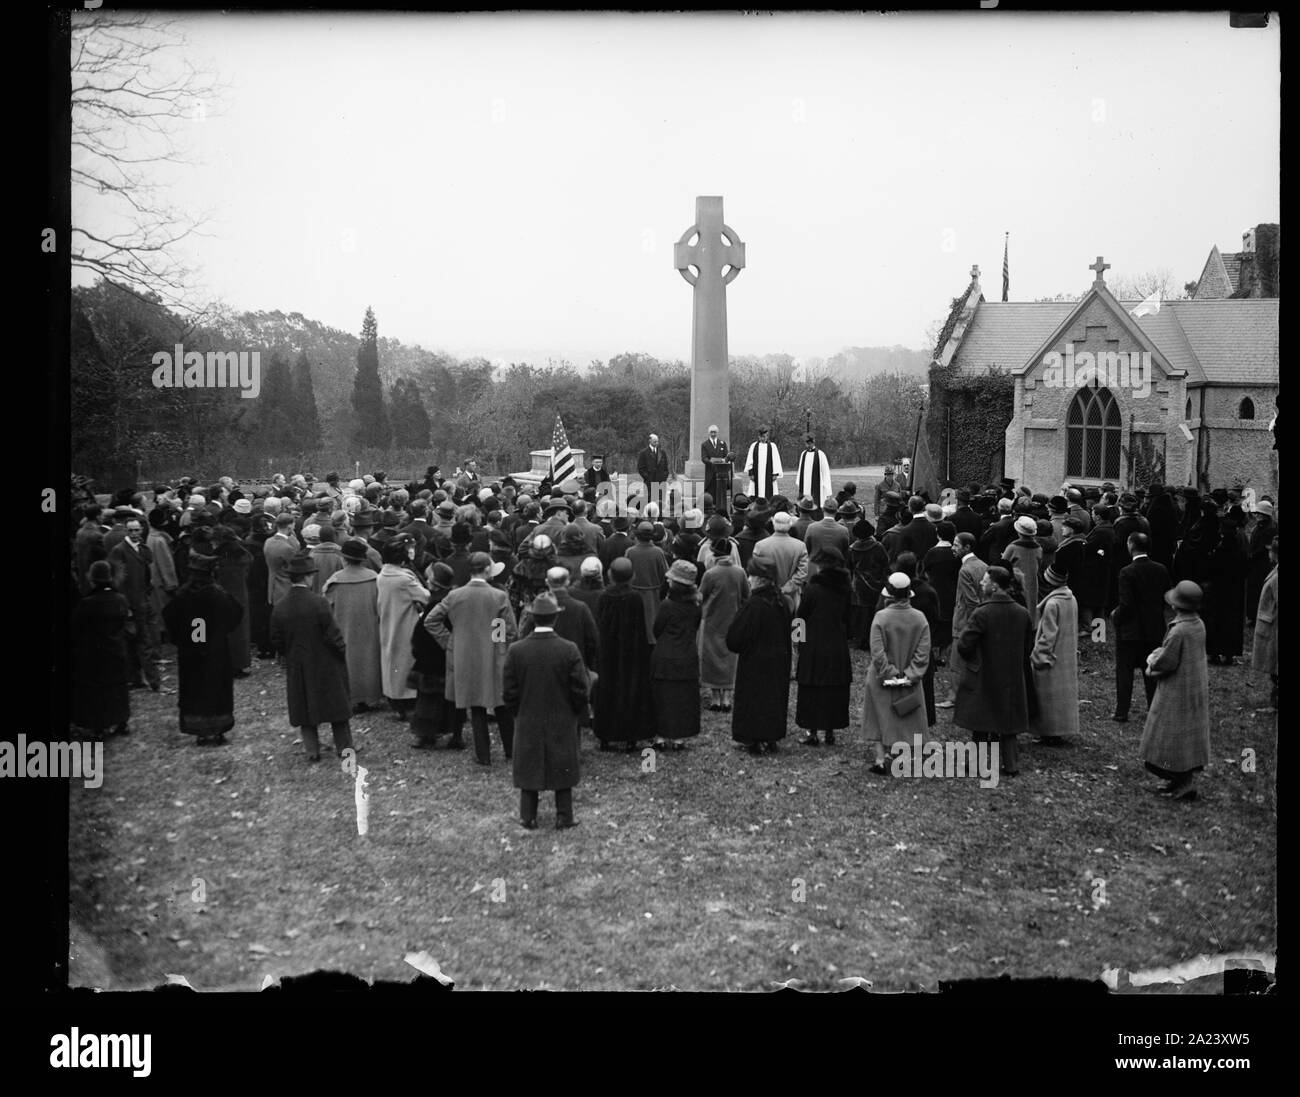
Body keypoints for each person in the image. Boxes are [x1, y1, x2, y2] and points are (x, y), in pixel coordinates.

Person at [504, 592, 589, 830]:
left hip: (527, 716)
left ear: (532, 618)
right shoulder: (569, 649)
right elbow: (580, 688)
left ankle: (527, 815)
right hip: (561, 716)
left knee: (529, 762)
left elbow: (509, 690)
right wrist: (575, 710)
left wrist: (518, 711)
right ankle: (565, 815)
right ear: (555, 618)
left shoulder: (516, 650)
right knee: (563, 763)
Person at [426, 552, 519, 765]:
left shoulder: (455, 595)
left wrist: (451, 641)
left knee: (476, 705)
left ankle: (483, 755)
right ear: (487, 569)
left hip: (465, 655)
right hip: (494, 653)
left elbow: (431, 621)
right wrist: (497, 640)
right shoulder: (498, 596)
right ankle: (511, 750)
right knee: (501, 702)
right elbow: (510, 631)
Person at [268, 553, 355, 763]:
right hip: (326, 661)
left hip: (298, 662)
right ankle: (345, 748)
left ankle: (312, 750)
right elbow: (333, 634)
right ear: (307, 577)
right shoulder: (319, 603)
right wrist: (341, 651)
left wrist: (288, 654)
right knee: (337, 708)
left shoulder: (281, 606)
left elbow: (276, 639)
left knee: (304, 705)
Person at [953, 566, 1032, 777]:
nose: (981, 583)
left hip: (984, 673)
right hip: (1012, 675)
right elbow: (1028, 646)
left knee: (981, 721)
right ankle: (1011, 764)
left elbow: (964, 645)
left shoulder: (982, 612)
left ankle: (977, 763)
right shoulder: (1022, 613)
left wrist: (974, 661)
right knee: (1008, 723)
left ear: (994, 586)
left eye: (985, 581)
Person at [161, 552, 243, 746]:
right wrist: (221, 631)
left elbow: (169, 615)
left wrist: (180, 638)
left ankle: (199, 731)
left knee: (194, 689)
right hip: (215, 651)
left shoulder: (183, 595)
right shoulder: (218, 595)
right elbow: (236, 612)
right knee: (217, 689)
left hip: (191, 652)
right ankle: (218, 730)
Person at [1139, 581, 1211, 800]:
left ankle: (1183, 782)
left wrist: (1152, 660)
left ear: (1176, 605)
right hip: (1193, 687)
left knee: (1168, 738)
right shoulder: (1198, 624)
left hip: (1176, 690)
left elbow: (1167, 661)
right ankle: (1178, 780)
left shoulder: (1178, 630)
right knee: (1185, 738)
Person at [861, 572, 931, 774]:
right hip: (910, 678)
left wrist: (890, 674)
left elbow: (877, 651)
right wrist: (909, 676)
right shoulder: (920, 618)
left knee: (878, 715)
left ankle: (880, 759)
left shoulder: (881, 617)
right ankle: (906, 757)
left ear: (888, 595)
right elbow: (922, 652)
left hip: (882, 677)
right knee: (909, 715)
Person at [726, 557, 792, 755]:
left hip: (755, 661)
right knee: (774, 697)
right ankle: (771, 736)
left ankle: (753, 738)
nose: (749, 579)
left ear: (760, 579)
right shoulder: (782, 601)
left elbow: (735, 637)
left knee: (753, 699)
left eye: (752, 575)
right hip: (779, 659)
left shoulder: (753, 605)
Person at [593, 557, 655, 751]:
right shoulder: (634, 597)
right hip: (630, 650)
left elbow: (601, 623)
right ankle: (630, 736)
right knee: (630, 689)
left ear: (611, 575)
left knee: (607, 688)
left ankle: (605, 735)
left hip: (609, 649)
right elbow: (640, 626)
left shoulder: (605, 596)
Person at [795, 547, 853, 746]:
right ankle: (830, 731)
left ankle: (812, 731)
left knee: (811, 687)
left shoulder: (812, 589)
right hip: (837, 643)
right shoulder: (845, 588)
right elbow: (848, 618)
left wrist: (797, 640)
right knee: (834, 687)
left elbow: (800, 617)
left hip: (813, 644)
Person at [1111, 533, 1171, 723]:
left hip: (1130, 630)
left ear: (1131, 545)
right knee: (1151, 670)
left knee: (1125, 671)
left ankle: (1122, 711)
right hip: (1154, 627)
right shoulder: (1161, 569)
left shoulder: (1127, 572)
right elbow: (1166, 597)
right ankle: (1154, 708)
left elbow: (1126, 604)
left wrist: (1115, 616)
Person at [322, 540, 385, 713]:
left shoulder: (335, 581)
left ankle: (353, 697)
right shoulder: (374, 577)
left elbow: (326, 608)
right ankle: (372, 695)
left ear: (345, 559)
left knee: (349, 661)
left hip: (344, 627)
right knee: (370, 659)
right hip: (370, 627)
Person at [71, 560, 131, 739]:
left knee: (99, 691)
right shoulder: (120, 599)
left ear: (92, 579)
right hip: (117, 649)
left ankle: (100, 725)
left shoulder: (87, 603)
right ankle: (122, 721)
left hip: (95, 653)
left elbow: (77, 627)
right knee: (119, 687)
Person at [409, 562, 463, 750]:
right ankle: (456, 734)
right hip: (448, 658)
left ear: (433, 583)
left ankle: (427, 735)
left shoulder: (435, 604)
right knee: (452, 700)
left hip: (431, 660)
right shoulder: (452, 601)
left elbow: (421, 634)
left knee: (428, 702)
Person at [650, 560, 703, 750]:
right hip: (687, 655)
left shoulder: (667, 605)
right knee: (684, 698)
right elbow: (695, 628)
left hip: (665, 655)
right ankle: (680, 737)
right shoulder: (696, 606)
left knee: (662, 697)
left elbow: (657, 629)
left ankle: (661, 736)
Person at [377, 539, 429, 720]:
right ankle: (408, 701)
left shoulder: (383, 574)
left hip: (389, 622)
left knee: (392, 660)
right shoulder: (405, 579)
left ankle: (396, 699)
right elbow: (425, 597)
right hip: (407, 625)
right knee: (406, 661)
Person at [108, 516, 161, 691]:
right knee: (143, 643)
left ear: (142, 530)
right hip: (131, 604)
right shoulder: (119, 551)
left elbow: (147, 574)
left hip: (143, 601)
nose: (134, 534)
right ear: (125, 531)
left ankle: (135, 679)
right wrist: (126, 607)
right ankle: (154, 682)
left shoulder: (143, 549)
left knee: (138, 642)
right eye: (130, 530)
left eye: (137, 530)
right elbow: (117, 582)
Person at [699, 537, 748, 713]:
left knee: (711, 656)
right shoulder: (740, 572)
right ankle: (727, 696)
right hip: (733, 618)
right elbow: (746, 596)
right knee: (730, 657)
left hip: (712, 620)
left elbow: (701, 596)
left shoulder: (710, 574)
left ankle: (715, 696)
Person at [1029, 581, 1079, 746]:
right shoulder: (1071, 599)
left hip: (1050, 658)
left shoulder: (1052, 604)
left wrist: (1039, 654)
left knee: (1047, 698)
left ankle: (1048, 732)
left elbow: (1048, 635)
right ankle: (1060, 731)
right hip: (1065, 655)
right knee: (1063, 699)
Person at [751, 510, 808, 615]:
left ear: (773, 524)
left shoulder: (760, 546)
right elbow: (802, 573)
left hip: (767, 597)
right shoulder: (800, 546)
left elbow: (756, 575)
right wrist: (787, 588)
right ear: (790, 525)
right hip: (792, 595)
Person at [626, 520, 669, 645]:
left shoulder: (630, 552)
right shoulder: (658, 552)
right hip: (654, 596)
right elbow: (665, 575)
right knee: (652, 627)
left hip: (634, 594)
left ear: (637, 536)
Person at [1001, 515, 1043, 628]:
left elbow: (1003, 564)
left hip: (1016, 583)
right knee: (1031, 605)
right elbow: (1040, 564)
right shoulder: (1038, 548)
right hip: (1033, 582)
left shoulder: (1012, 547)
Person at [1250, 539, 1278, 707]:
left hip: (1274, 625)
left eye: (1270, 551)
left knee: (1275, 666)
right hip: (1271, 622)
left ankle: (1275, 703)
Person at [264, 512, 300, 608]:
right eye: (293, 524)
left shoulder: (268, 541)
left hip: (272, 584)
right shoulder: (288, 547)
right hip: (285, 587)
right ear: (289, 526)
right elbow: (296, 565)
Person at [701, 425, 734, 518]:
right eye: (711, 432)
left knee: (721, 497)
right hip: (711, 475)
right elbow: (704, 458)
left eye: (715, 432)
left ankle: (722, 515)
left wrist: (724, 460)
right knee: (712, 498)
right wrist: (713, 461)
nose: (713, 434)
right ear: (709, 433)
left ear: (717, 433)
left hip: (722, 475)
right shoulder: (705, 444)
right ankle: (712, 516)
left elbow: (726, 457)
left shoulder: (722, 444)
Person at [744, 426, 783, 502]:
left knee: (769, 493)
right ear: (759, 436)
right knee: (755, 492)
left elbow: (776, 460)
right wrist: (751, 473)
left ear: (767, 436)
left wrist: (775, 474)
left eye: (765, 436)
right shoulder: (754, 446)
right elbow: (750, 460)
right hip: (756, 475)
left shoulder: (772, 446)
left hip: (769, 475)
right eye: (762, 437)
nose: (763, 438)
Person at [795, 435, 833, 506]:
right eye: (806, 443)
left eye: (809, 443)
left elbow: (826, 472)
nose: (808, 445)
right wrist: (799, 483)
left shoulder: (820, 454)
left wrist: (827, 489)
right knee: (805, 502)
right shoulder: (803, 454)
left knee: (816, 502)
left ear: (813, 443)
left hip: (817, 485)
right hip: (805, 484)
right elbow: (800, 470)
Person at [637, 432, 670, 512]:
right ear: (650, 441)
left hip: (661, 482)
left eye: (657, 441)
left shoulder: (662, 452)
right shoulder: (643, 453)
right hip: (649, 482)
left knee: (660, 502)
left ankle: (660, 518)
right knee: (650, 503)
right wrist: (647, 478)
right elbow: (640, 468)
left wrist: (664, 477)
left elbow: (666, 467)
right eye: (655, 441)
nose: (657, 443)